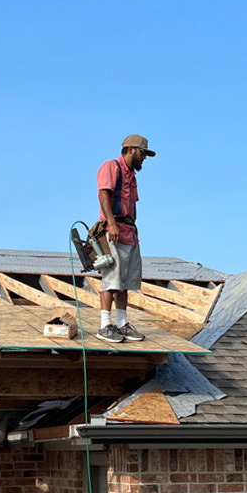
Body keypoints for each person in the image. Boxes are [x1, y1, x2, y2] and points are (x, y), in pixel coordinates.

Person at [94, 134, 155, 343]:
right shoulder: (112, 167)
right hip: (115, 230)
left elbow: (131, 206)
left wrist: (134, 232)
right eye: (142, 153)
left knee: (125, 281)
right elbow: (103, 195)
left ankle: (121, 324)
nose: (144, 157)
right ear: (130, 149)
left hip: (129, 232)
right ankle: (105, 326)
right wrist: (111, 223)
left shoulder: (132, 176)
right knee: (112, 279)